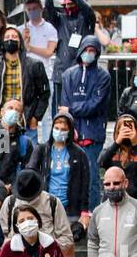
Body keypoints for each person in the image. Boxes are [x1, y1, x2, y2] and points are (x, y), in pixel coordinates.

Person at [60, 35, 111, 210]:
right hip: (72, 134)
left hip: (93, 135)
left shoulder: (103, 76)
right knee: (69, 176)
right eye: (86, 50)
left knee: (92, 178)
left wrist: (72, 108)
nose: (89, 54)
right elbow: (63, 106)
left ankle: (92, 213)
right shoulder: (68, 74)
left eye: (93, 51)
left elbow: (94, 106)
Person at [0, 26, 50, 133]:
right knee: (2, 150)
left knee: (28, 149)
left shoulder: (35, 65)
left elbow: (44, 94)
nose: (10, 39)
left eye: (14, 36)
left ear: (20, 42)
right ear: (2, 42)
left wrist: (35, 118)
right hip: (0, 124)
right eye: (7, 37)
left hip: (26, 122)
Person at [27, 109, 91, 231]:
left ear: (70, 131)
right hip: (44, 207)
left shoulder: (79, 153)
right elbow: (30, 174)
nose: (59, 132)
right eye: (56, 128)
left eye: (63, 130)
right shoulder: (42, 150)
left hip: (71, 209)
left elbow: (85, 184)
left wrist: (84, 211)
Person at [43, 0, 97, 113]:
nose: (67, 6)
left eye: (71, 3)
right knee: (59, 112)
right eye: (65, 4)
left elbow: (88, 10)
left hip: (83, 71)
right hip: (62, 73)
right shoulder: (60, 19)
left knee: (81, 110)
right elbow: (48, 9)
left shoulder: (86, 19)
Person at [0, 168, 74, 257]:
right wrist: (10, 246)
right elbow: (0, 235)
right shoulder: (10, 202)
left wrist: (48, 247)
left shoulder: (52, 202)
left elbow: (67, 238)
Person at [21, 0, 59, 143]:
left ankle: (47, 143)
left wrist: (31, 48)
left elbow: (49, 51)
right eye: (29, 10)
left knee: (47, 113)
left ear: (41, 9)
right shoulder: (23, 29)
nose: (32, 12)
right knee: (27, 110)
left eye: (35, 9)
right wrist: (24, 42)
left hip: (45, 74)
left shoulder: (50, 29)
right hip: (26, 75)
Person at [100, 113, 137, 200]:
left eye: (130, 127)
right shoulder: (112, 150)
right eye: (123, 128)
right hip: (113, 197)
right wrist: (117, 142)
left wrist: (135, 143)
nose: (127, 131)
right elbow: (101, 163)